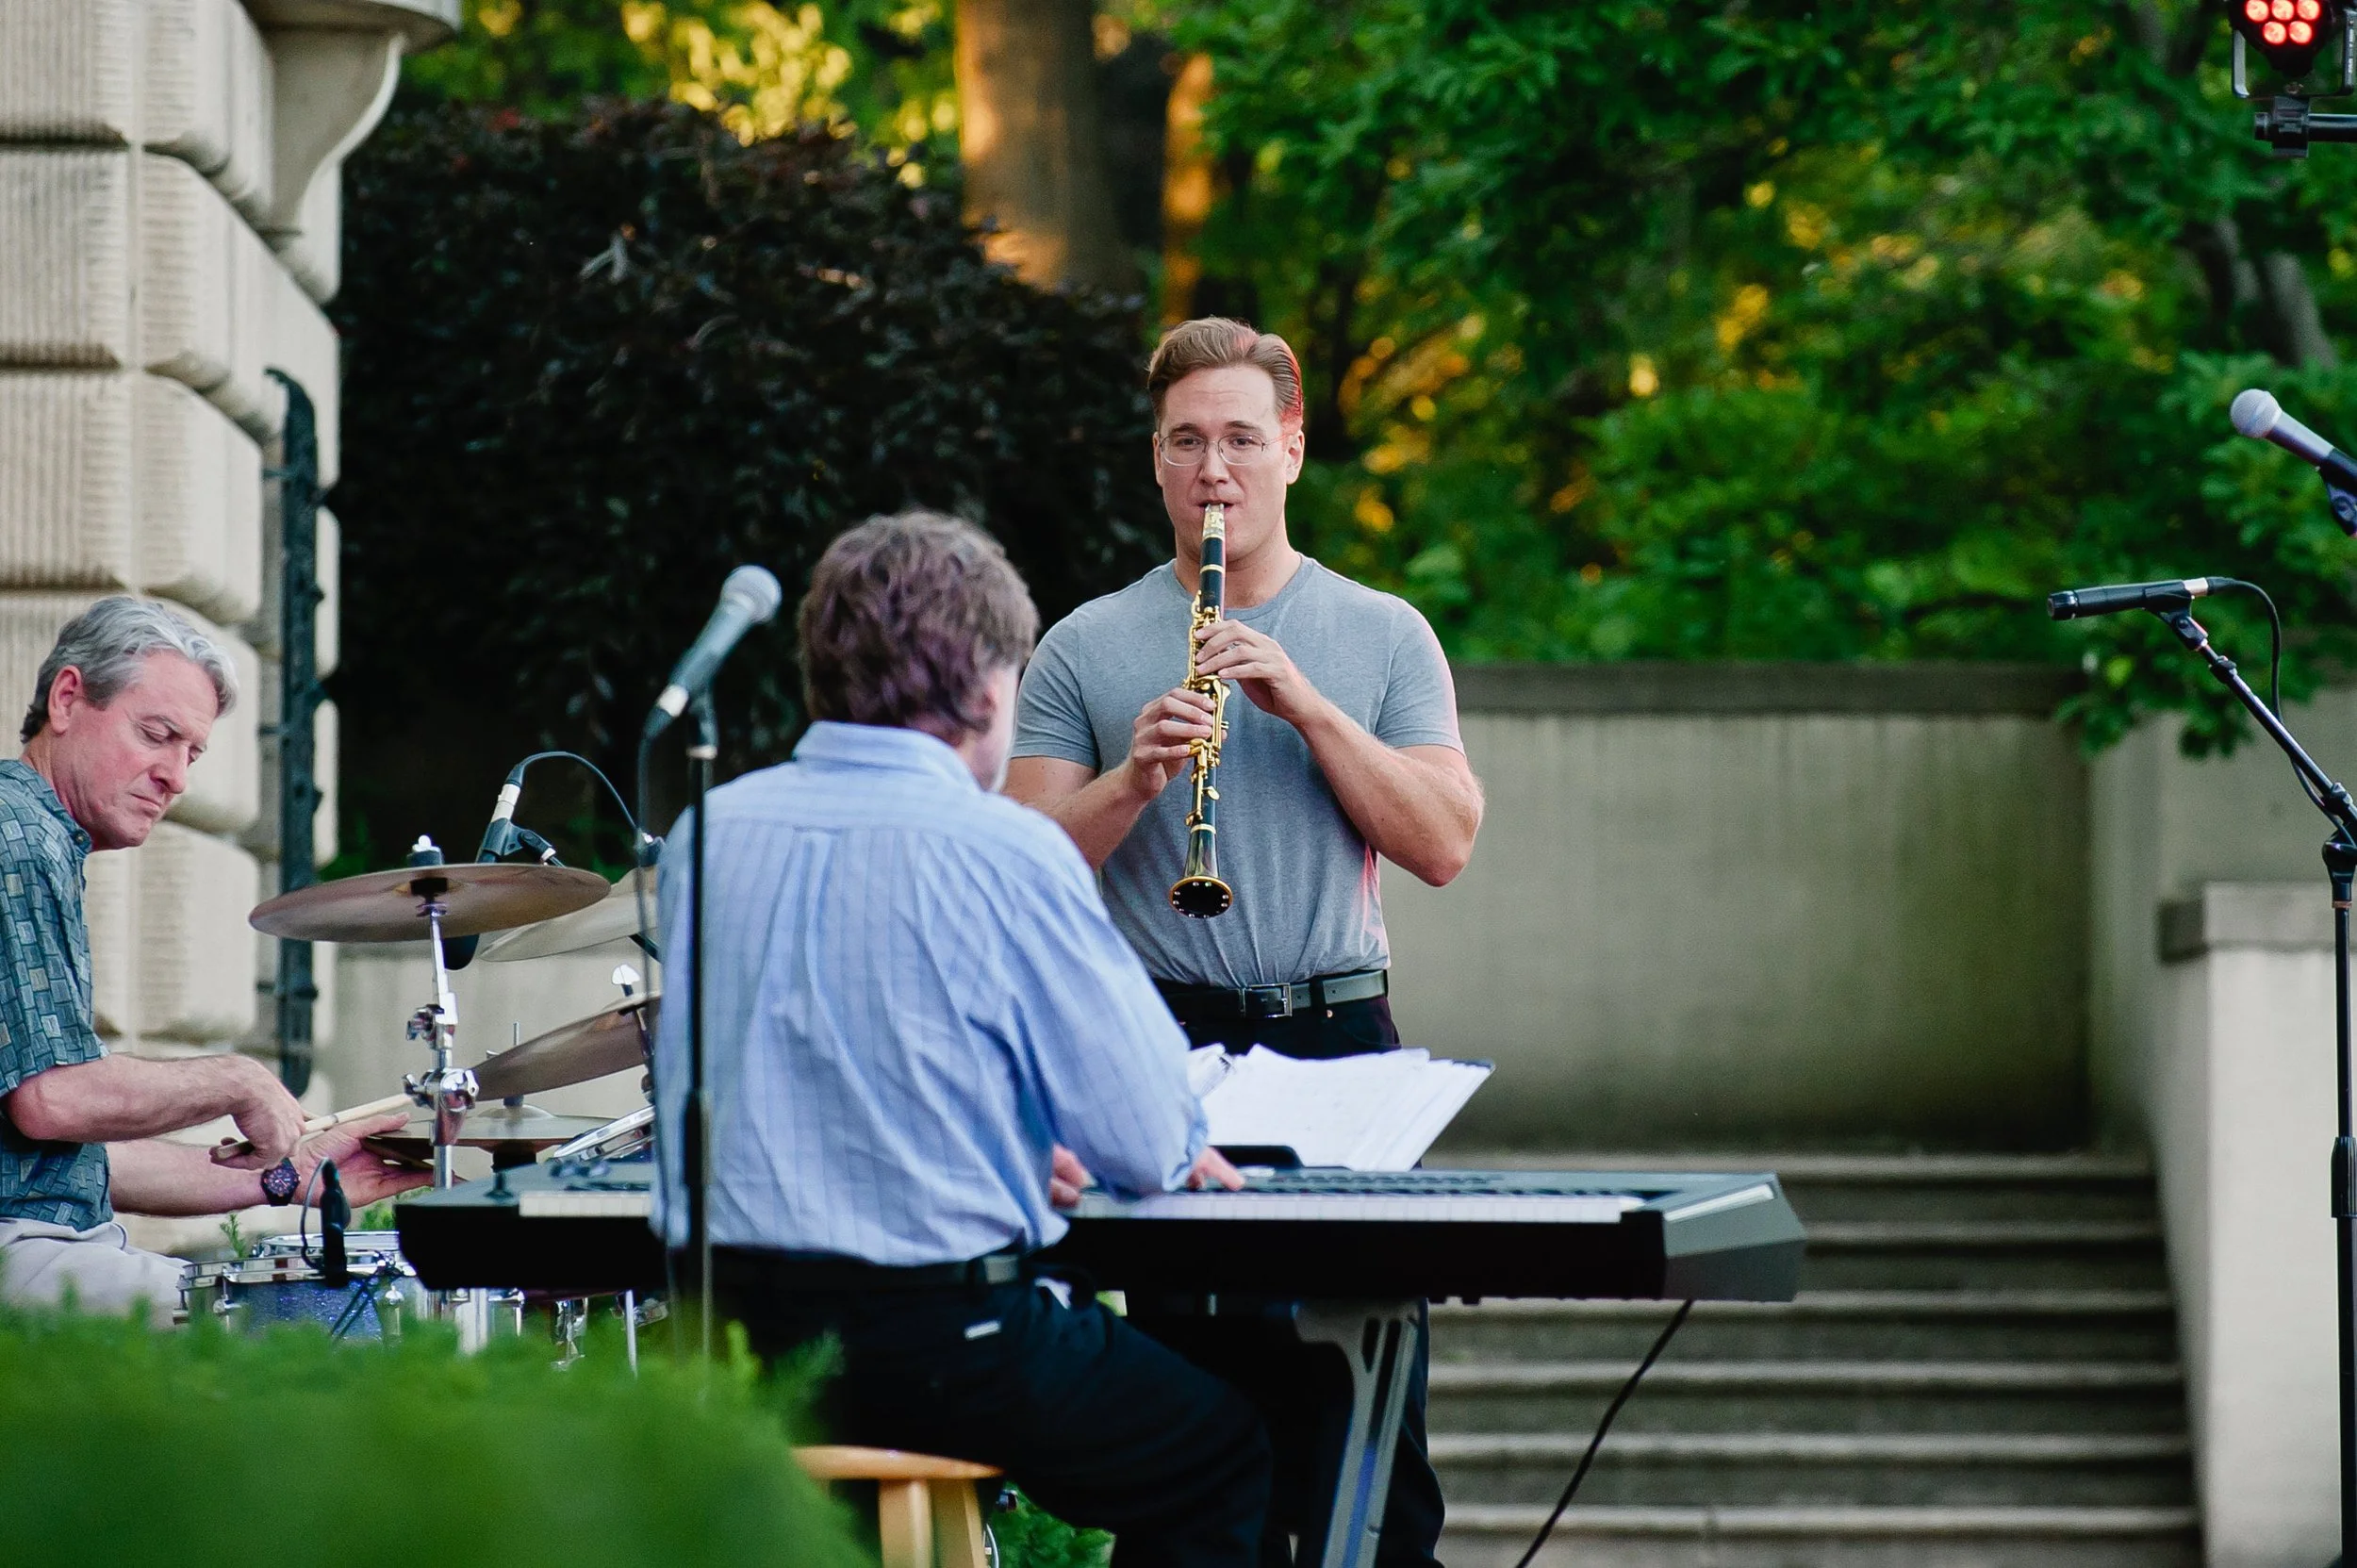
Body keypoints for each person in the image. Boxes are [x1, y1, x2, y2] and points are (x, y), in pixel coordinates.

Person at [651, 512, 1272, 1568]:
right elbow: (1140, 1138)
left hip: (733, 1339)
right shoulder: (1006, 850)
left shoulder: (706, 837)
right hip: (939, 1346)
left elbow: (827, 1066)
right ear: (989, 691)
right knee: (1216, 1450)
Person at [1004, 319, 1485, 1566]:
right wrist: (1131, 782)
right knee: (1196, 1430)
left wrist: (1308, 708)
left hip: (1339, 1038)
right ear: (1156, 459)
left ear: (1292, 450)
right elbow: (1010, 873)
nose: (1213, 468)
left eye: (1239, 438)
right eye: (1186, 441)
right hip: (1161, 1047)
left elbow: (1444, 842)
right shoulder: (1084, 644)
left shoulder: (1383, 631)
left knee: (1371, 1426)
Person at [0, 597, 424, 1317]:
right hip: (20, 1246)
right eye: (156, 734)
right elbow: (51, 1101)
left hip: (39, 1234)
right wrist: (237, 1080)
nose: (177, 777)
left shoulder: (39, 836)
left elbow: (60, 1161)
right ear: (67, 698)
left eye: (190, 751)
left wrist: (286, 1177)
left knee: (304, 1314)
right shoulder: (17, 835)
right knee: (309, 1326)